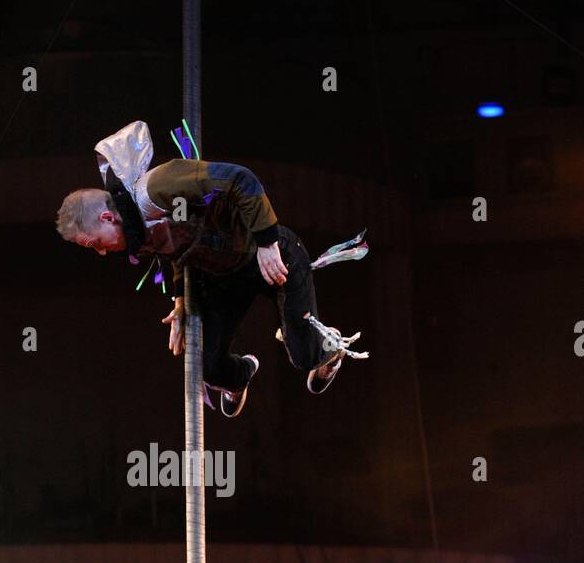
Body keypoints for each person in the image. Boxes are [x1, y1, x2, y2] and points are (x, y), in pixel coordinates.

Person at [55, 120, 364, 417]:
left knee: (304, 355)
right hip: (224, 279)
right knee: (204, 366)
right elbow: (175, 252)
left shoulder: (157, 189)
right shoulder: (135, 231)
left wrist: (268, 243)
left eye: (92, 243)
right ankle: (241, 376)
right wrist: (179, 300)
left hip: (269, 254)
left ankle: (329, 351)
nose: (100, 252)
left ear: (107, 218)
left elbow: (241, 180)